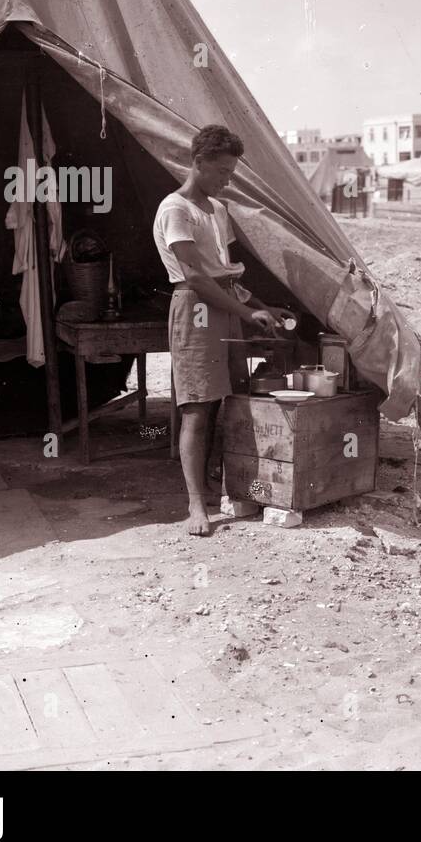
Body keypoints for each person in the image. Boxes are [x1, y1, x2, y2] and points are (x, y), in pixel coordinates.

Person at [153, 125, 294, 537]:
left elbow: (224, 271)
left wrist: (259, 306)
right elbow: (196, 276)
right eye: (220, 172)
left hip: (227, 306)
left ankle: (231, 487)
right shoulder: (174, 210)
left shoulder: (217, 210)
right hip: (196, 309)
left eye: (231, 173)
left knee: (232, 399)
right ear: (197, 163)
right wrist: (247, 315)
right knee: (198, 408)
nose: (226, 180)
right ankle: (196, 506)